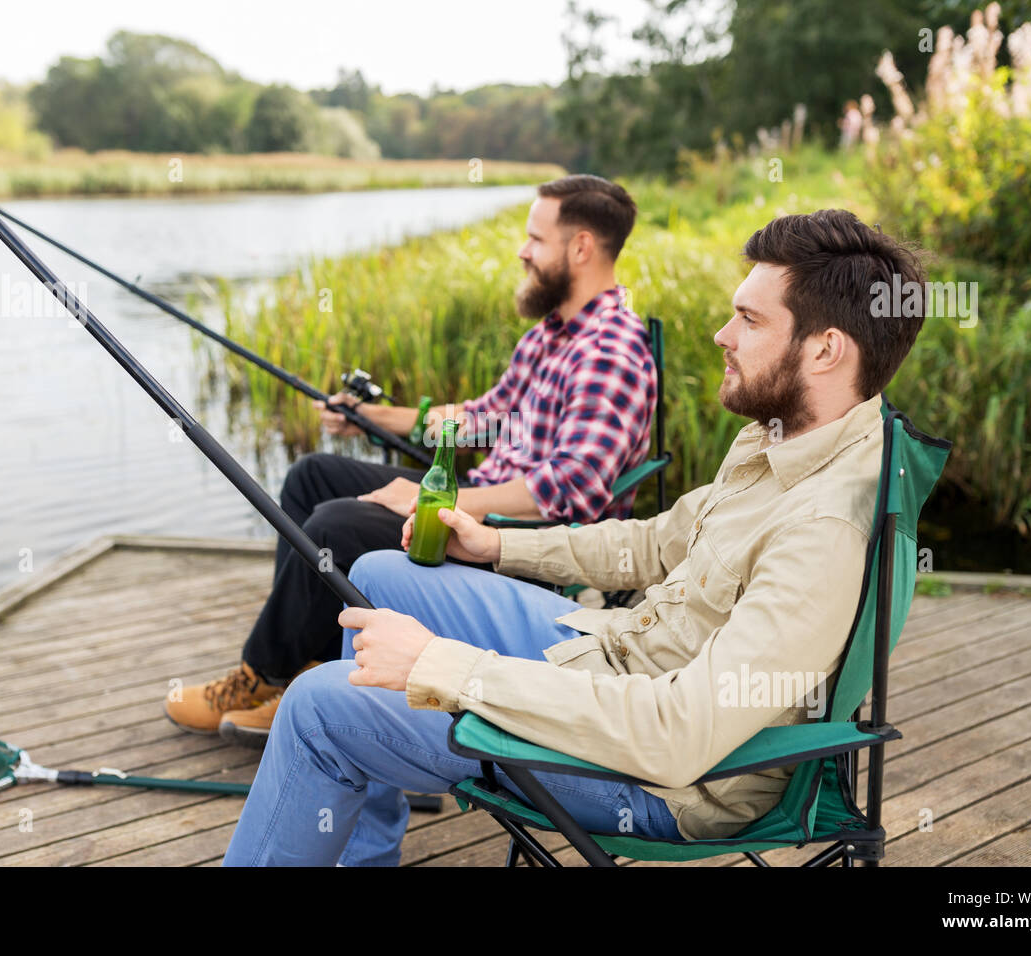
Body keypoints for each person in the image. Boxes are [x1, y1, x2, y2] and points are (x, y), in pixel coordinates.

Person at [221, 208, 929, 866]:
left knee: (317, 706)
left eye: (748, 318)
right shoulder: (782, 441)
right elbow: (655, 545)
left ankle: (344, 757)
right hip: (617, 654)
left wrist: (446, 665)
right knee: (378, 572)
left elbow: (679, 735)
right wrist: (498, 545)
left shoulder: (824, 528)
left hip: (655, 780)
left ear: (826, 350)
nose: (722, 333)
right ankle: (361, 845)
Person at [165, 175, 658, 745]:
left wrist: (436, 500)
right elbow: (483, 417)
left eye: (535, 239)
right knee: (312, 475)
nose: (522, 251)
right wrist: (374, 417)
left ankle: (262, 675)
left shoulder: (609, 350)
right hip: (475, 506)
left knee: (334, 525)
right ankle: (308, 671)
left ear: (580, 248)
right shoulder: (554, 335)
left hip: (510, 540)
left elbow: (571, 489)